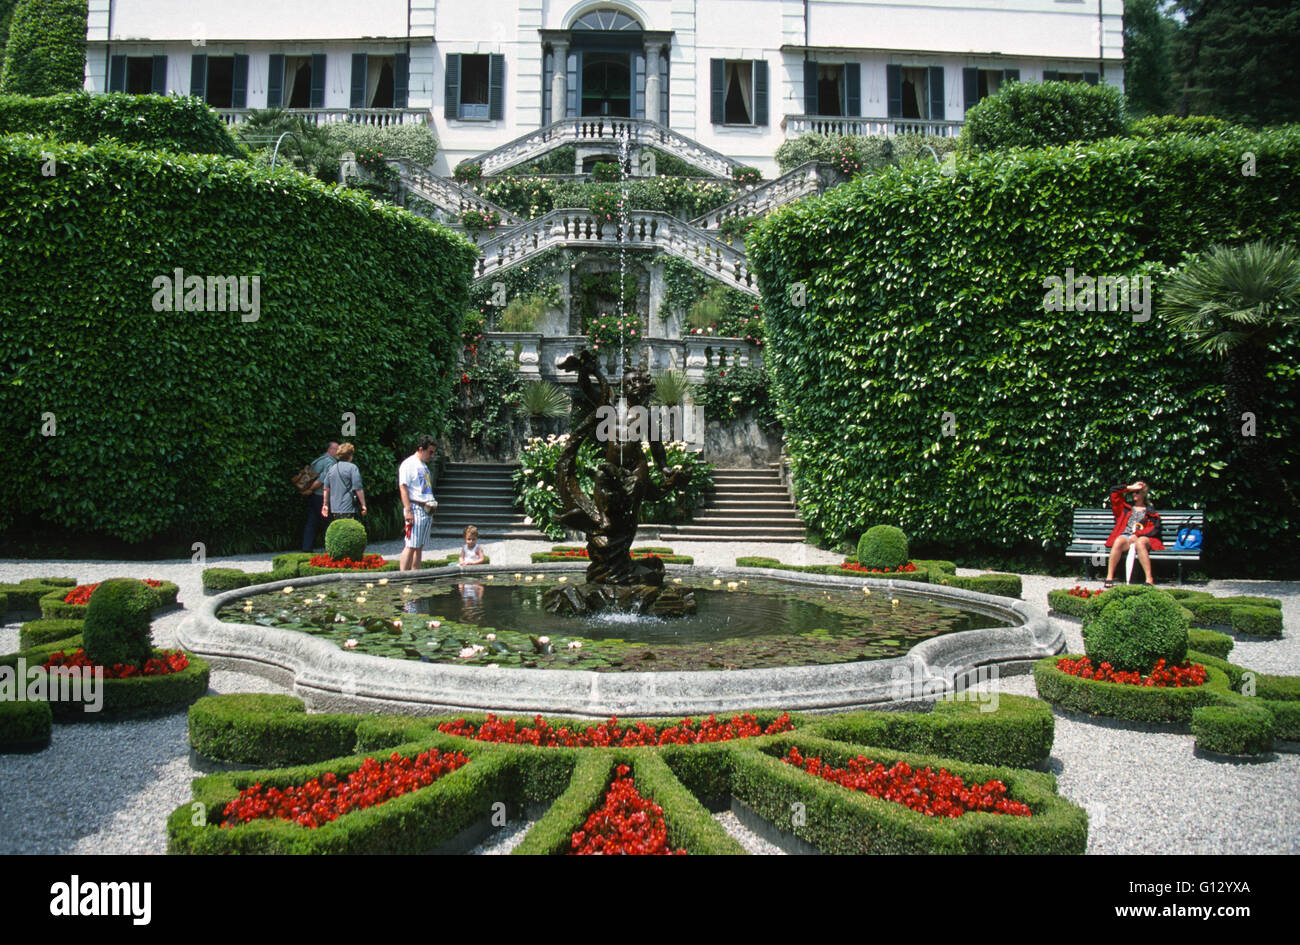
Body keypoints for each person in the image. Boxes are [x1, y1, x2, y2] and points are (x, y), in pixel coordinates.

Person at [1103, 479, 1163, 586]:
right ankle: (1109, 576)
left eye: (1137, 492)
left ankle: (1149, 579)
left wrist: (1137, 535)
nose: (1134, 494)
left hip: (1143, 538)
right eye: (1133, 492)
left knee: (1140, 543)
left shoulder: (1150, 511)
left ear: (1144, 494)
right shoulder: (1125, 508)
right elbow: (1114, 491)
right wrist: (1131, 487)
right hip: (1127, 537)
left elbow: (1154, 528)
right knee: (1118, 541)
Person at [399, 435, 438, 570]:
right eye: (430, 452)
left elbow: (426, 490)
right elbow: (403, 487)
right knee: (411, 544)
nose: (432, 455)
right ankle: (402, 576)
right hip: (415, 508)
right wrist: (408, 510)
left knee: (419, 546)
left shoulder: (423, 466)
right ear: (421, 449)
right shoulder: (408, 464)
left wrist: (431, 512)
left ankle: (416, 575)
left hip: (426, 509)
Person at [300, 441, 338, 552]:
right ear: (329, 450)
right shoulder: (330, 462)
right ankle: (332, 549)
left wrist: (309, 490)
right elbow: (323, 479)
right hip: (322, 496)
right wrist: (310, 489)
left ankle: (306, 548)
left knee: (312, 522)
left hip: (315, 496)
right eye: (336, 449)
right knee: (330, 523)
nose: (338, 451)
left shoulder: (319, 460)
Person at [322, 442, 367, 523]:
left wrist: (325, 505)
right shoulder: (352, 468)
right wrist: (363, 504)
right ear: (350, 455)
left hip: (334, 508)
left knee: (338, 527)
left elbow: (326, 488)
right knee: (348, 529)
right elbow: (358, 488)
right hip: (348, 506)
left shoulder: (332, 468)